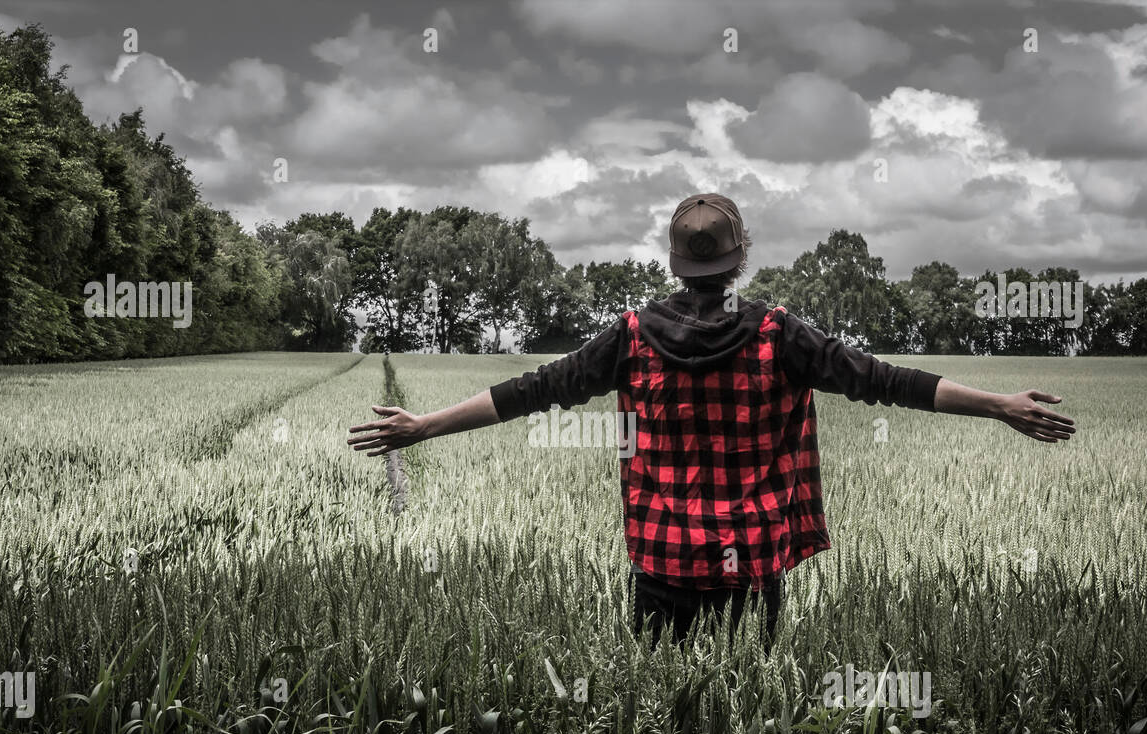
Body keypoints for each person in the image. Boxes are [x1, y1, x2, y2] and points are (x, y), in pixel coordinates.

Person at [347, 193, 1075, 650]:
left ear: (675, 263)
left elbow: (535, 390)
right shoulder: (778, 333)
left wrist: (423, 427)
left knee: (657, 720)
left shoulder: (631, 333)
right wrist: (998, 406)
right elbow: (887, 383)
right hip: (749, 564)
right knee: (748, 721)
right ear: (739, 260)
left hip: (662, 561)